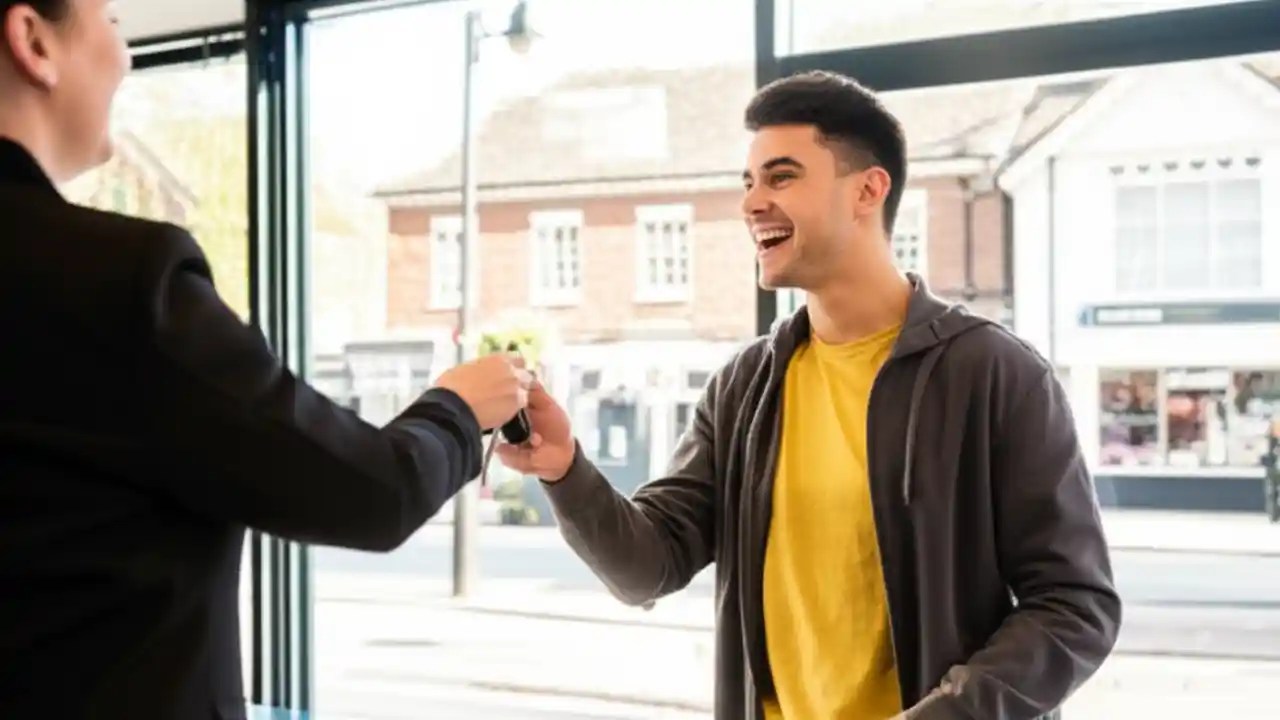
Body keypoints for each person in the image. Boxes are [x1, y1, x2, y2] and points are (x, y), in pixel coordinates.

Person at [499, 70, 1121, 720]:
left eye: (781, 177)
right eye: (748, 182)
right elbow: (647, 567)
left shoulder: (996, 375)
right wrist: (564, 470)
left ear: (867, 191)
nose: (751, 203)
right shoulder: (744, 388)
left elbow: (1075, 606)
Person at [0, 1, 529, 717]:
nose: (125, 56)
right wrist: (459, 410)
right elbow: (372, 491)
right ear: (33, 41)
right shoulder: (119, 281)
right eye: (113, 19)